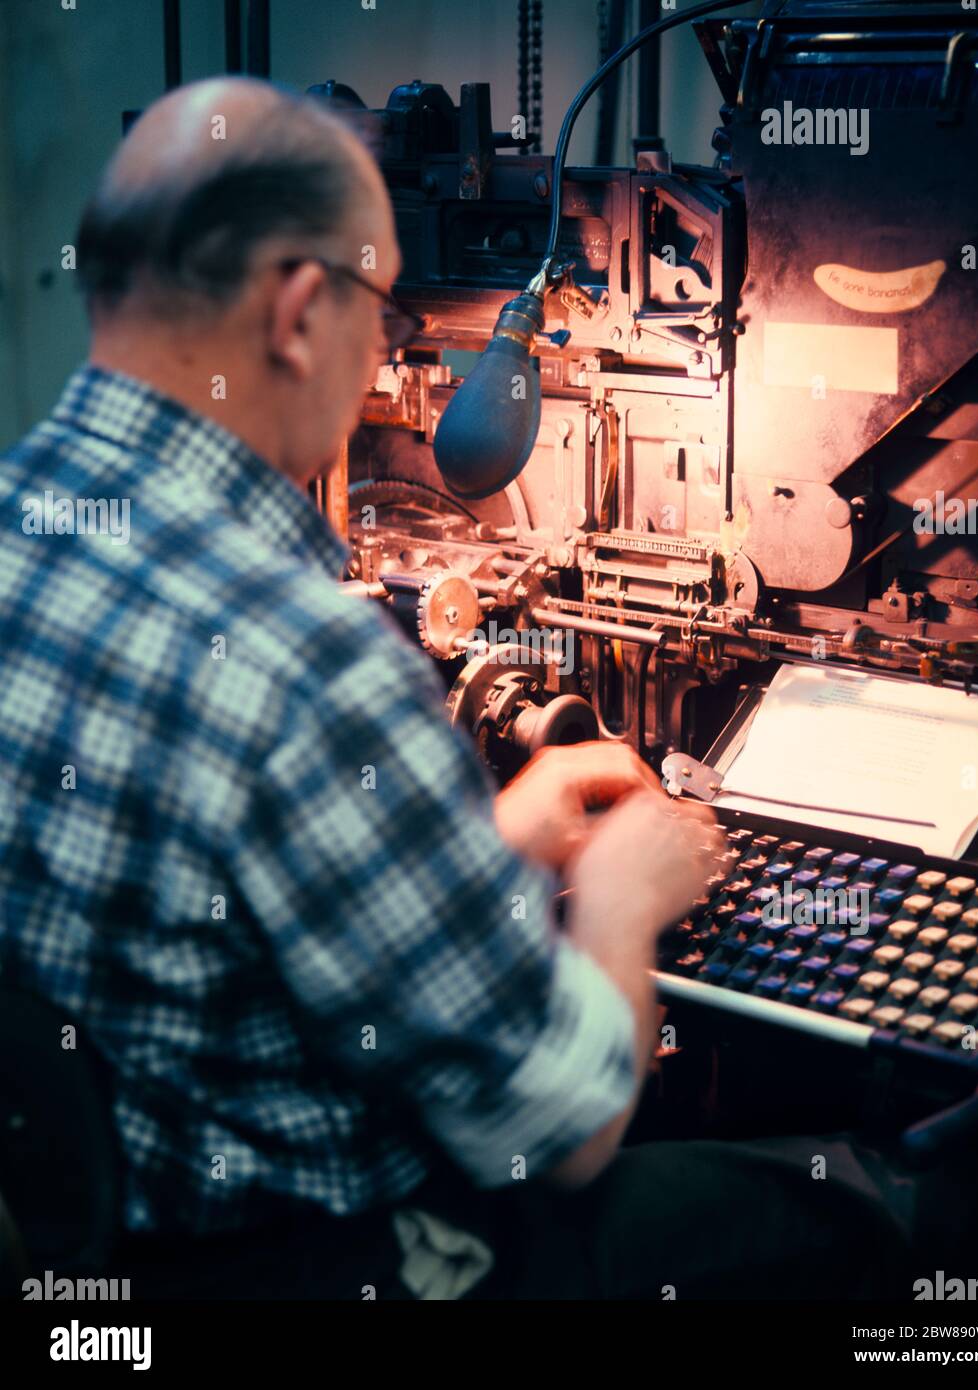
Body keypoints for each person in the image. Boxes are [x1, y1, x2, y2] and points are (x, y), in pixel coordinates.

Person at [0, 77, 915, 1300]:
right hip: (331, 1258)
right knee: (876, 1202)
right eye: (383, 314)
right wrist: (616, 897)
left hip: (102, 1267)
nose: (388, 356)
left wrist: (476, 844)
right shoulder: (299, 656)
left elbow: (194, 889)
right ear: (298, 309)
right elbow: (558, 1127)